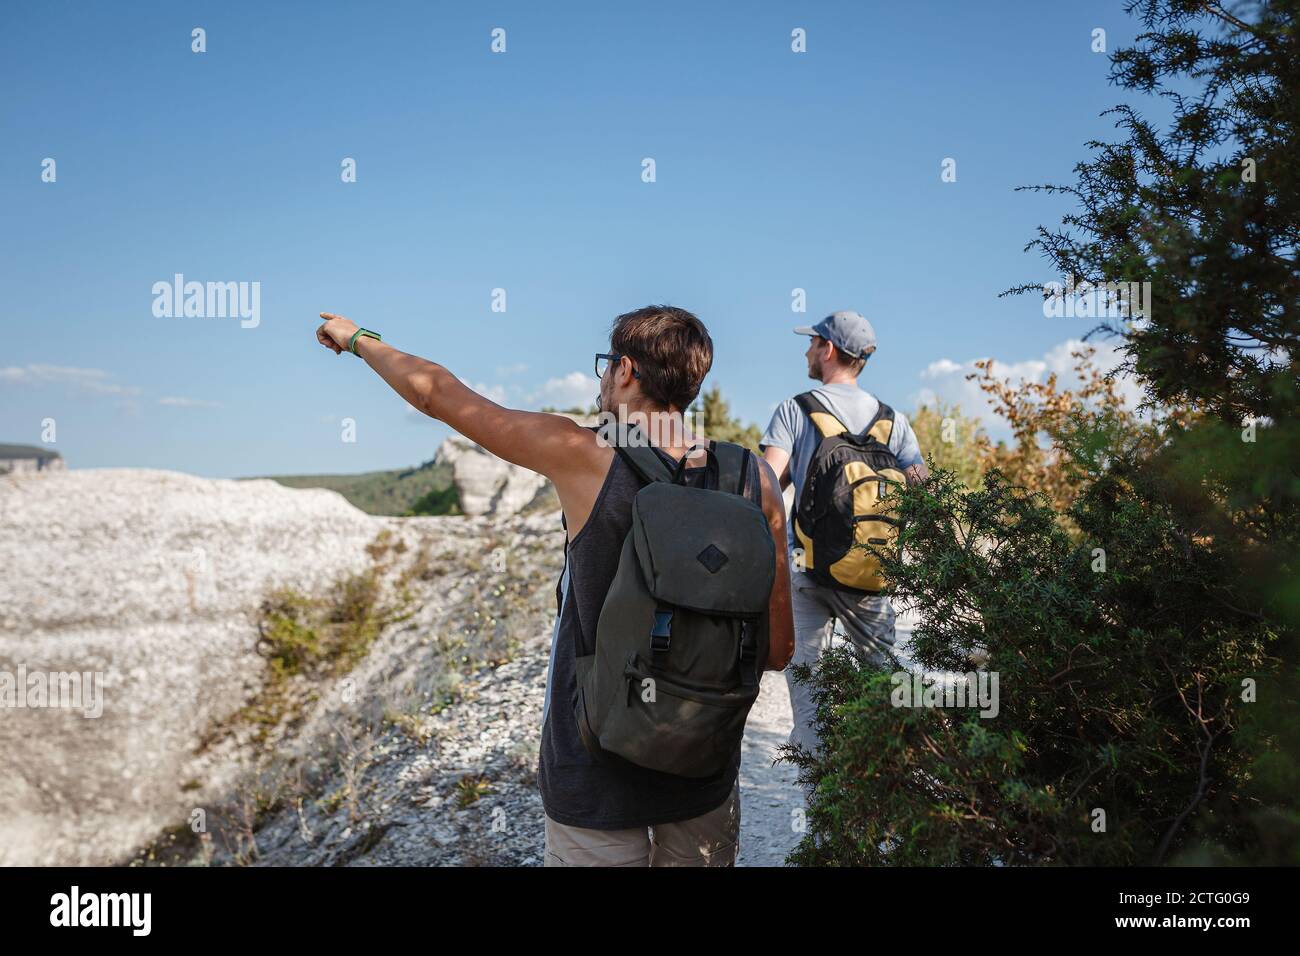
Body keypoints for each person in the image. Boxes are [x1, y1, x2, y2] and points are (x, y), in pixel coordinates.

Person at [315, 305, 794, 866]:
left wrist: (357, 339)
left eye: (603, 369)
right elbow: (779, 649)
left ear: (625, 370)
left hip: (594, 768)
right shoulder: (752, 477)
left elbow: (437, 395)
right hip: (704, 768)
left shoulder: (582, 454)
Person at [759, 311, 927, 755]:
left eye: (812, 342)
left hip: (809, 574)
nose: (807, 350)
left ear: (828, 349)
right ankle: (886, 789)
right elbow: (922, 489)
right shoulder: (894, 420)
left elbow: (766, 487)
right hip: (871, 575)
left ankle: (822, 810)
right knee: (886, 686)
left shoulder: (795, 409)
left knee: (811, 697)